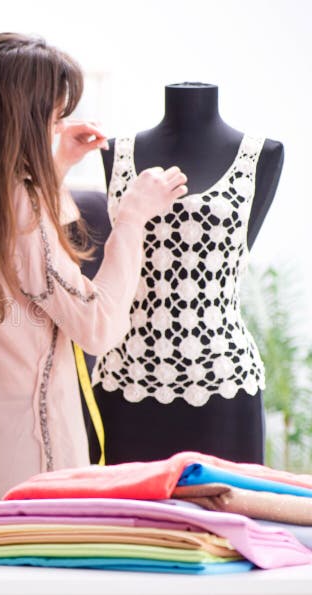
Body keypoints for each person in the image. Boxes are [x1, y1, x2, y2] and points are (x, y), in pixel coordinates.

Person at [0, 33, 188, 505]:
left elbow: (13, 272)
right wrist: (134, 217)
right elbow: (97, 326)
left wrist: (56, 164)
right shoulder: (23, 210)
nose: (58, 128)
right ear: (20, 122)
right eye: (53, 119)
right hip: (35, 466)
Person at [92, 82, 284, 463]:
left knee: (227, 520)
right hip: (126, 379)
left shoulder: (262, 155)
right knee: (126, 522)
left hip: (224, 384)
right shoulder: (117, 152)